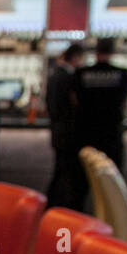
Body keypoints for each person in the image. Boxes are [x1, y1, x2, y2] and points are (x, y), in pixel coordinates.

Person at [68, 37, 127, 211]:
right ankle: (108, 225)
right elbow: (126, 103)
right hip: (112, 137)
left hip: (84, 137)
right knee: (111, 189)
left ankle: (79, 227)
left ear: (95, 51)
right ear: (113, 52)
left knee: (80, 189)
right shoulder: (123, 74)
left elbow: (74, 101)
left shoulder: (80, 74)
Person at [44, 43, 85, 208]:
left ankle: (51, 209)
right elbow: (73, 106)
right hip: (67, 133)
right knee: (65, 175)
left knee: (59, 172)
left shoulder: (54, 75)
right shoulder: (69, 77)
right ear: (75, 57)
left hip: (56, 131)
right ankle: (59, 211)